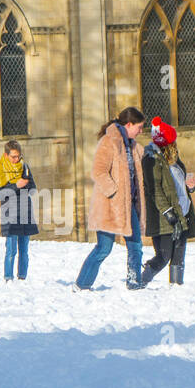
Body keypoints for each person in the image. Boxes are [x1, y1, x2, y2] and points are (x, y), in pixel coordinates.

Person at [75, 107, 147, 290]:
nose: (141, 131)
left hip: (128, 205)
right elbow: (98, 172)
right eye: (139, 127)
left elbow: (146, 161)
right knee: (104, 248)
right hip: (109, 207)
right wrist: (114, 192)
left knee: (136, 246)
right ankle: (82, 284)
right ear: (129, 124)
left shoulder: (133, 146)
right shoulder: (109, 142)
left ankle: (134, 282)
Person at [140, 117, 195, 286]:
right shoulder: (151, 160)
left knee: (179, 256)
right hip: (163, 217)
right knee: (164, 256)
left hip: (183, 213)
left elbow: (178, 187)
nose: (175, 145)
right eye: (172, 142)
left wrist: (190, 188)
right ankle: (141, 282)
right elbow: (155, 190)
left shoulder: (174, 159)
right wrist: (169, 213)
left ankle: (176, 288)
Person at [0, 140, 38, 280]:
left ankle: (22, 277)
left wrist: (26, 186)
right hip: (9, 211)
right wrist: (16, 185)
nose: (16, 159)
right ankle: (8, 278)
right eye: (13, 157)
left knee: (24, 249)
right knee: (11, 250)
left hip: (25, 210)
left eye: (18, 156)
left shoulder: (24, 166)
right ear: (6, 155)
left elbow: (33, 188)